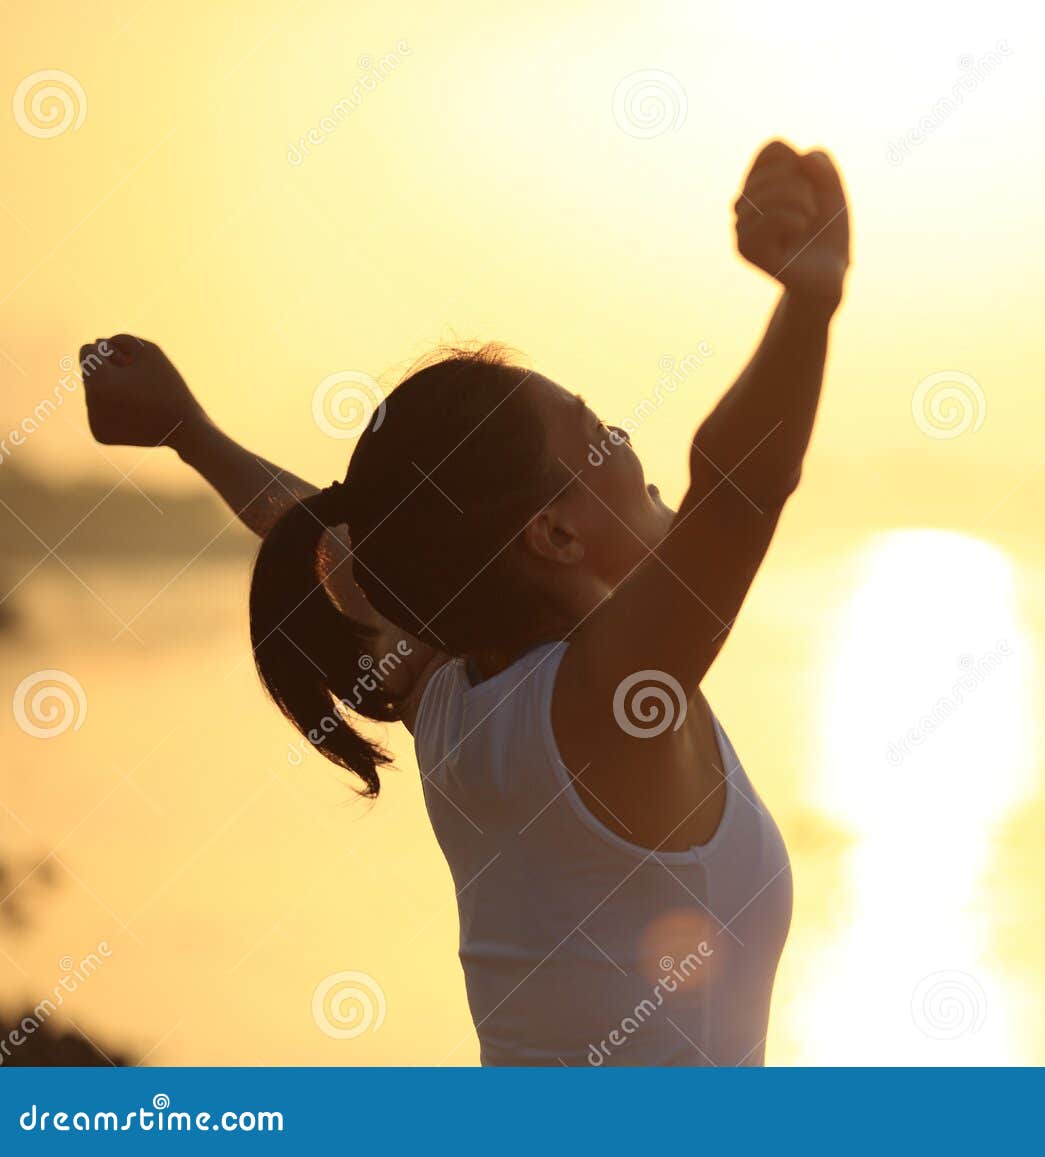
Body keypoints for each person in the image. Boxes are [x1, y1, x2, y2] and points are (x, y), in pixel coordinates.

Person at [78, 139, 849, 1065]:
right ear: (555, 535)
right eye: (599, 434)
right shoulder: (608, 701)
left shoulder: (447, 695)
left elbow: (312, 532)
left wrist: (190, 432)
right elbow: (739, 487)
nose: (627, 441)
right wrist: (807, 303)